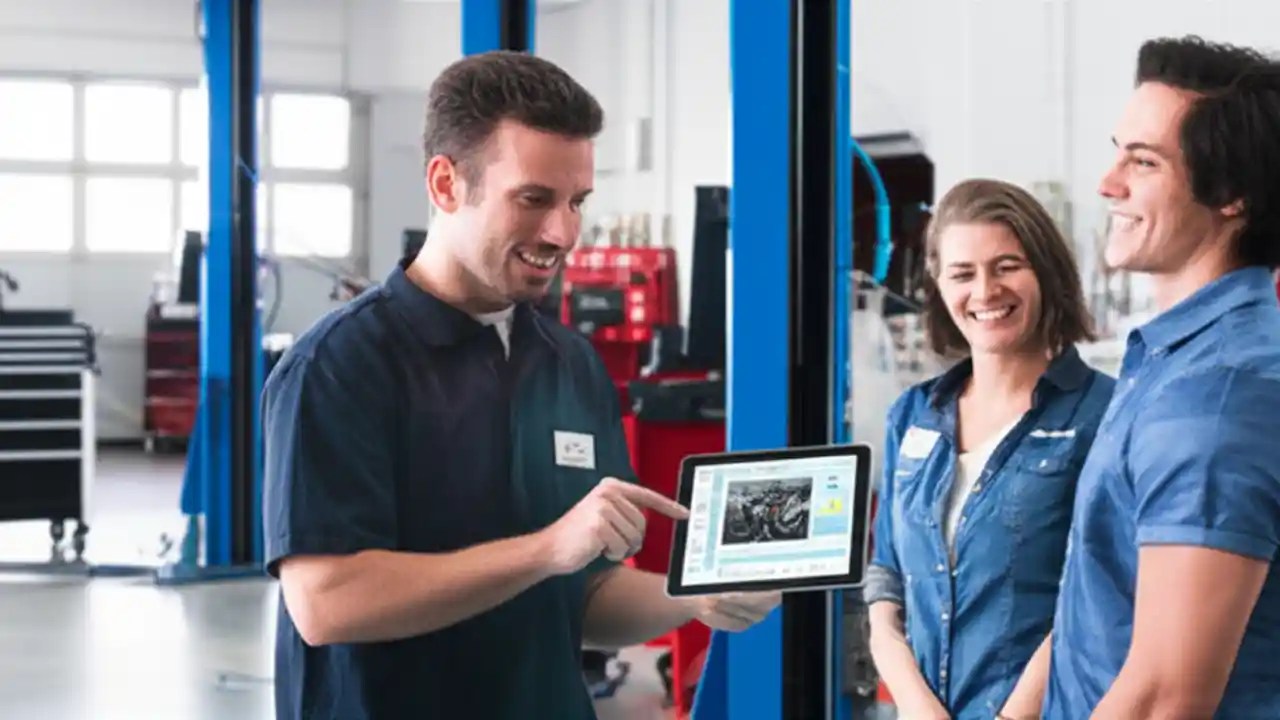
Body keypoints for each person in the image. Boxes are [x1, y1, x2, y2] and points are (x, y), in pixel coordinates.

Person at [260, 51, 779, 720]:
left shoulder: (570, 364)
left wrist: (694, 598)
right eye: (533, 199)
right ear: (446, 184)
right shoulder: (339, 366)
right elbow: (326, 603)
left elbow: (583, 597)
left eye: (576, 202)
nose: (563, 232)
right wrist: (546, 549)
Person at [1043, 36, 1280, 719]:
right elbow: (1105, 602)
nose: (1107, 183)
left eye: (1143, 162)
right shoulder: (1172, 362)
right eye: (1118, 151)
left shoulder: (1216, 396)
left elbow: (1163, 698)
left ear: (1231, 194)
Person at [863, 178, 1115, 720]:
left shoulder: (1104, 415)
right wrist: (916, 703)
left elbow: (1098, 595)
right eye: (962, 273)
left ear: (1045, 272)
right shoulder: (912, 415)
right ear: (938, 283)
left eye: (1006, 266)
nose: (985, 292)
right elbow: (886, 575)